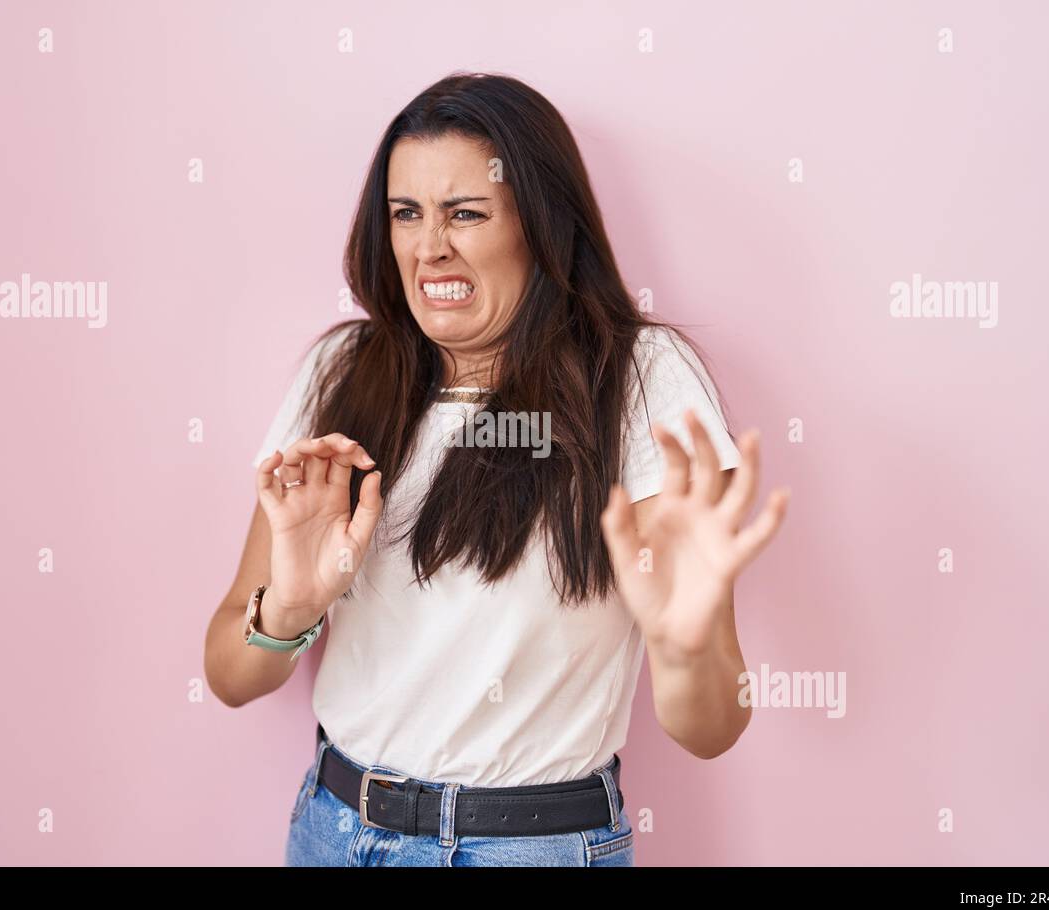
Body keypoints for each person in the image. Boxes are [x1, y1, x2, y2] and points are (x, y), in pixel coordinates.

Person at [203, 71, 789, 867]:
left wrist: (685, 651)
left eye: (466, 213)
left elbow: (713, 728)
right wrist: (290, 609)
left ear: (541, 227)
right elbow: (232, 678)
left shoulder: (640, 375)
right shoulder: (344, 371)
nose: (427, 245)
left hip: (526, 848)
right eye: (405, 213)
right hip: (333, 830)